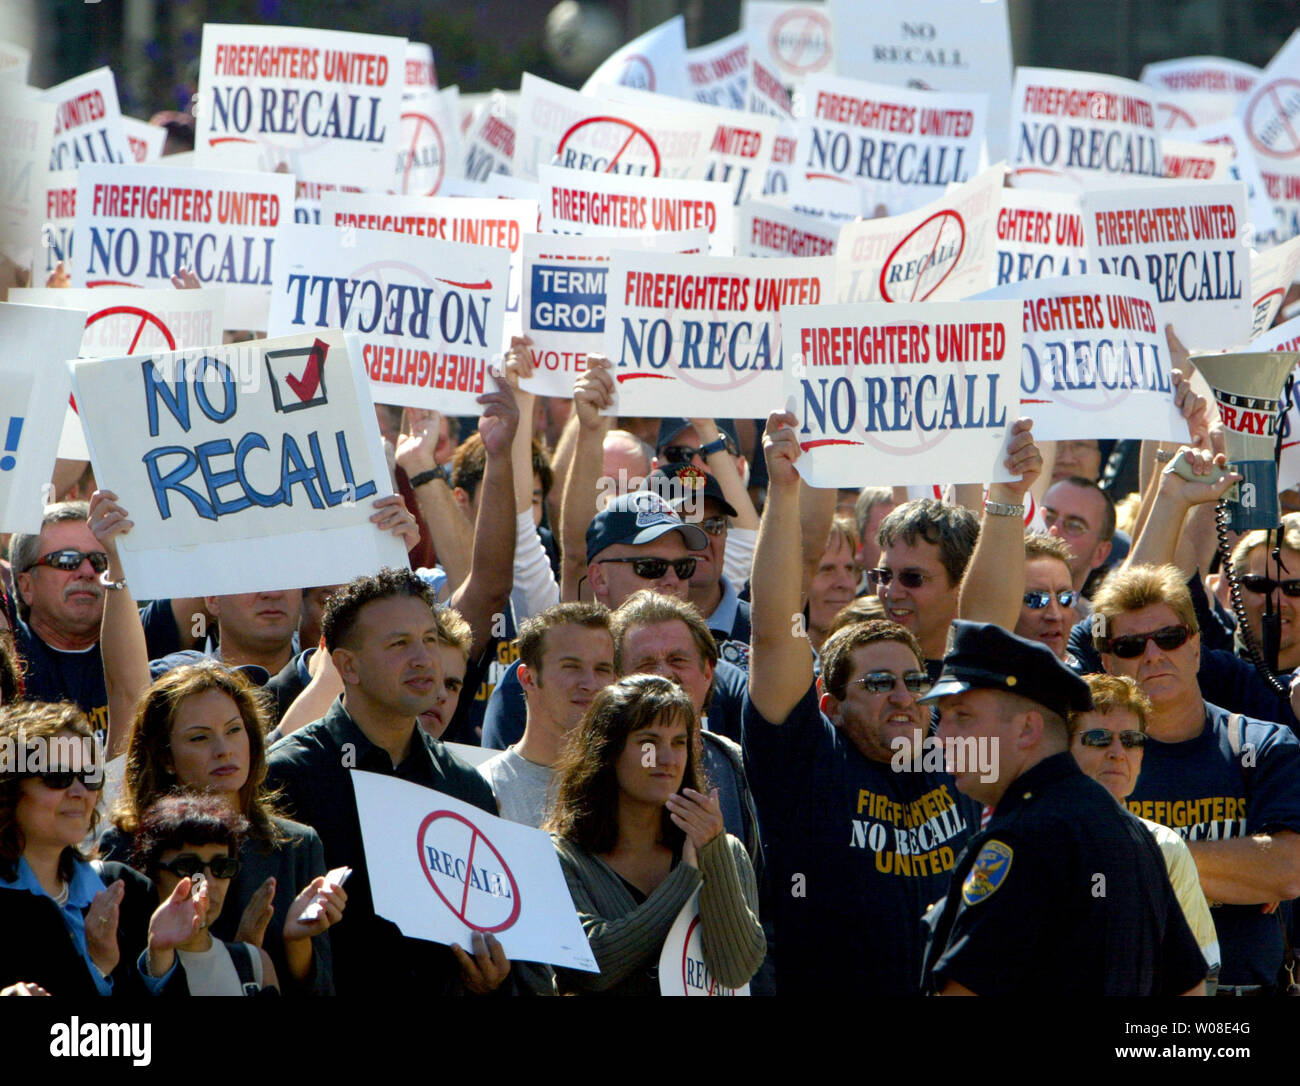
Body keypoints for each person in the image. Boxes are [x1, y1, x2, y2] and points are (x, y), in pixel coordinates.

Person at [744, 411, 977, 995]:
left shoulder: (956, 751)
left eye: (913, 681)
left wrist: (1002, 496)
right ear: (829, 703)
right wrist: (785, 487)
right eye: (877, 684)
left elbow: (981, 616)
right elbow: (774, 630)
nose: (902, 696)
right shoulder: (805, 762)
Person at [920, 620, 1208, 995]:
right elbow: (1189, 986)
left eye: (963, 716)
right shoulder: (1132, 834)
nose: (942, 737)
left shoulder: (1023, 839)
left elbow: (965, 990)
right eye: (943, 718)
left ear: (1027, 730)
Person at [265, 568, 513, 997]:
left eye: (429, 639)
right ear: (348, 666)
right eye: (399, 644)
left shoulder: (466, 788)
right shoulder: (287, 777)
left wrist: (487, 983)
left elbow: (486, 932)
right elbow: (264, 946)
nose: (423, 659)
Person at [1091, 563, 1300, 992]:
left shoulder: (1262, 745)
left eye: (1169, 638)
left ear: (1196, 646)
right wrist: (1239, 867)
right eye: (1131, 646)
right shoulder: (1089, 760)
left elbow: (1288, 869)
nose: (1153, 655)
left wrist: (1136, 858)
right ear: (1108, 662)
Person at [99, 661, 342, 994]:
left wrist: (295, 942)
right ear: (165, 757)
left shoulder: (296, 845)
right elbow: (120, 976)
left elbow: (321, 990)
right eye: (200, 737)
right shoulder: (128, 843)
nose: (224, 749)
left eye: (233, 730)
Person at [546, 674, 765, 995]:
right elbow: (589, 967)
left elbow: (737, 969)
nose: (667, 760)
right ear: (609, 751)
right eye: (648, 743)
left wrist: (713, 857)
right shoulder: (563, 857)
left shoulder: (726, 852)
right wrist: (686, 879)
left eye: (678, 743)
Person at [1068, 673, 1220, 982]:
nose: (1117, 752)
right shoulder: (1025, 839)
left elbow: (1203, 974)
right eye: (1098, 738)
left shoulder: (1164, 848)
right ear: (1061, 748)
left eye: (1131, 740)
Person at [479, 603, 614, 828]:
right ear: (528, 678)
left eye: (602, 669)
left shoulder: (628, 785)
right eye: (571, 667)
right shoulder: (486, 789)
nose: (590, 684)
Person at [133, 793, 283, 996]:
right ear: (151, 874)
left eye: (222, 867)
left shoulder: (253, 963)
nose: (207, 882)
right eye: (188, 867)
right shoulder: (124, 966)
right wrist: (159, 957)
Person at [873, 497, 980, 674]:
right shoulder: (861, 669)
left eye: (912, 578)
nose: (892, 593)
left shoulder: (985, 680)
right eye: (885, 576)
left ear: (962, 583)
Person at [1041, 476, 1116, 606]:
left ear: (1100, 553)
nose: (1054, 529)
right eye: (1048, 517)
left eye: (1074, 525)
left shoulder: (1098, 624)